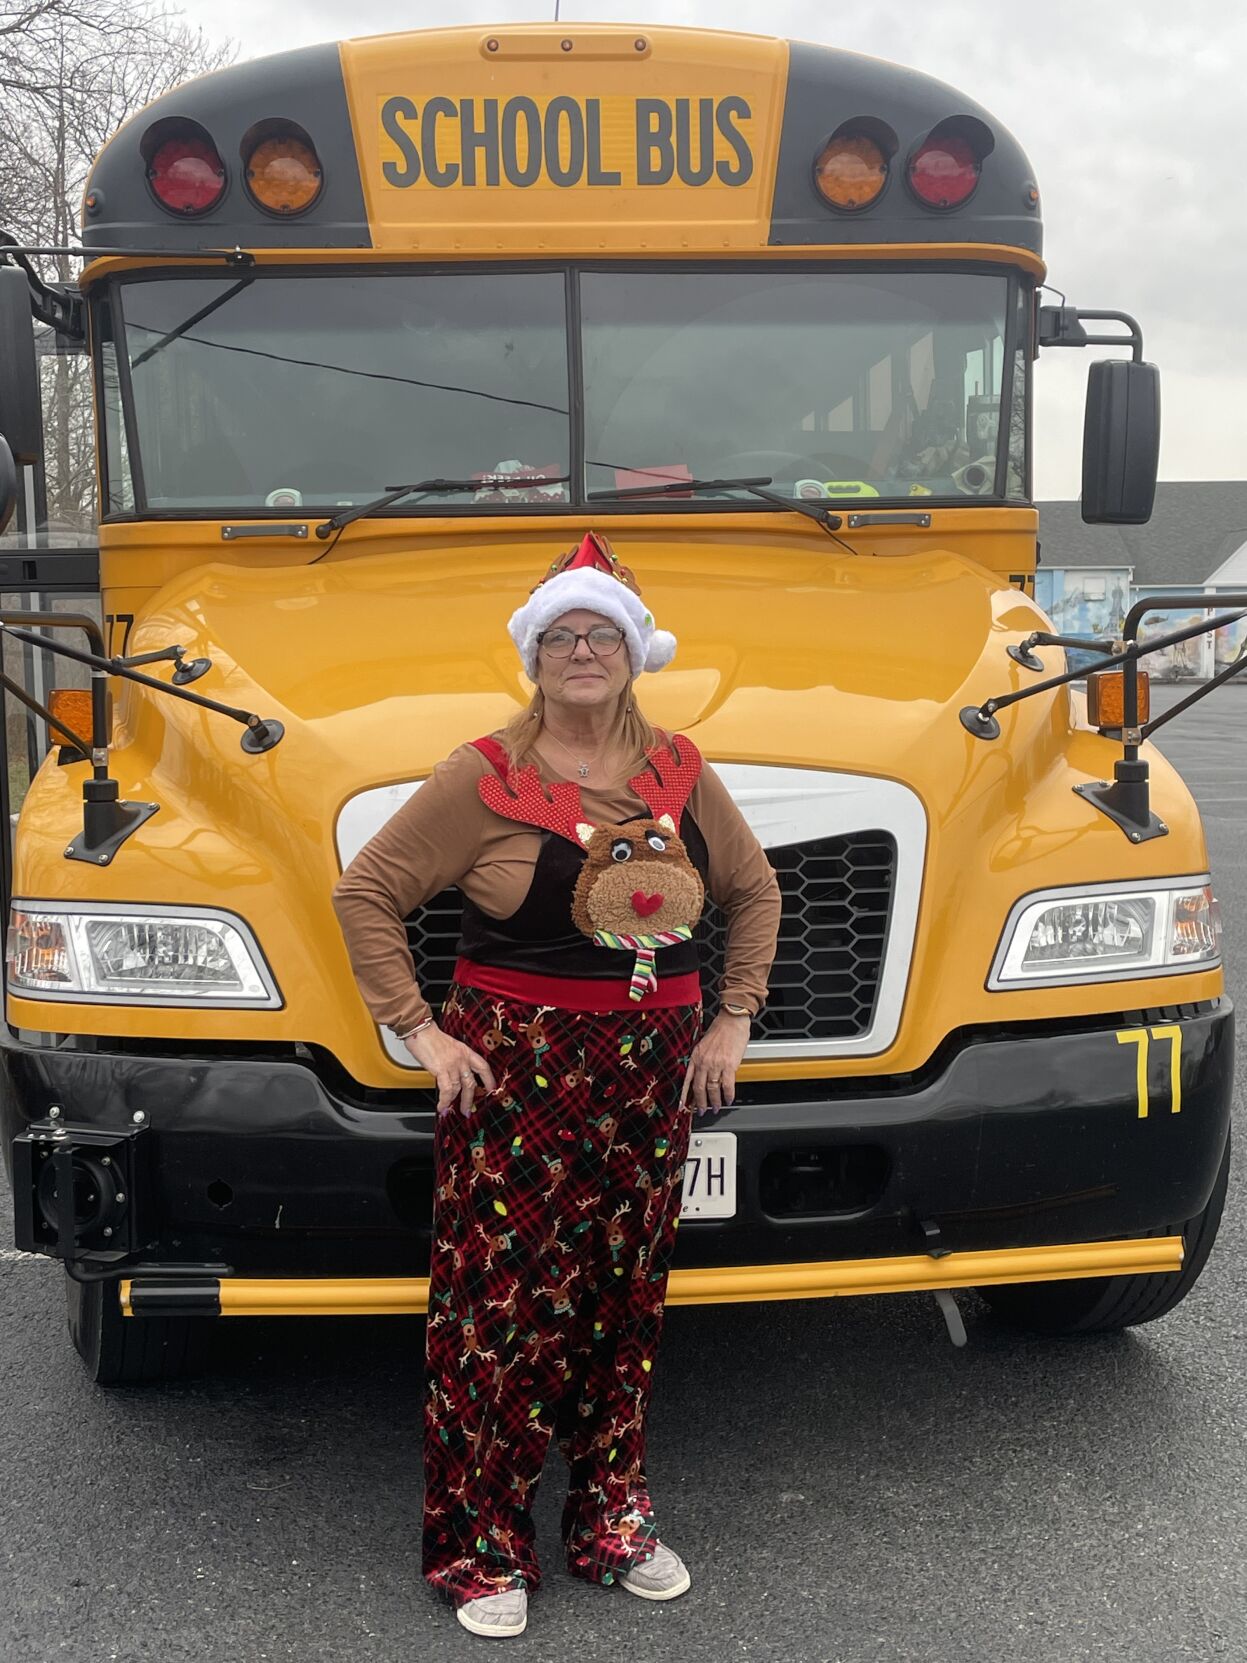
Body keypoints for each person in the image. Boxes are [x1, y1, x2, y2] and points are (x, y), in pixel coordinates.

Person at [333, 531, 781, 1639]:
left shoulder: (678, 769)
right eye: (561, 636)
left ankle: (609, 1520)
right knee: (501, 1308)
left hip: (650, 1078)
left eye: (603, 635)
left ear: (633, 653)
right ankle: (479, 1545)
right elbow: (367, 894)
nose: (582, 652)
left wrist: (731, 1014)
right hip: (518, 1079)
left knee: (622, 1300)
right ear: (533, 657)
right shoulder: (481, 775)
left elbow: (755, 888)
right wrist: (422, 1034)